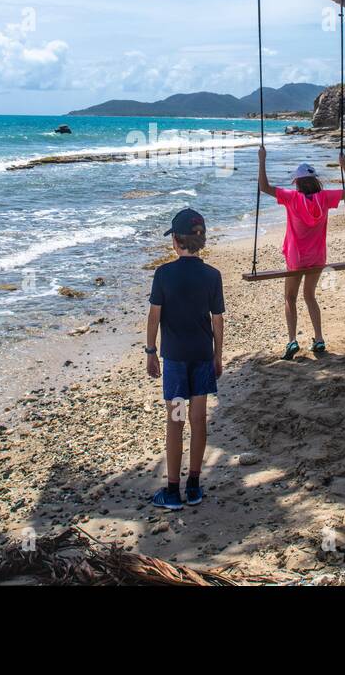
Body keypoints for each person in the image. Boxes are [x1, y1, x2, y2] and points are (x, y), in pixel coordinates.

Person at [145, 208, 224, 510]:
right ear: (200, 240)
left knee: (176, 421)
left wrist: (151, 351)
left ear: (176, 241)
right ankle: (194, 485)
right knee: (199, 419)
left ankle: (172, 490)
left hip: (176, 361)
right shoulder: (212, 275)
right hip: (202, 357)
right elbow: (218, 320)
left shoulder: (164, 274)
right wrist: (218, 355)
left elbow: (155, 316)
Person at [257, 147, 345, 360]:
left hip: (296, 258)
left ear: (297, 183)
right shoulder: (325, 198)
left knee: (290, 297)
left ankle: (292, 340)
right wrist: (344, 166)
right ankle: (319, 338)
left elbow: (264, 187)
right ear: (314, 181)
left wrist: (262, 159)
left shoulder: (291, 198)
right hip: (317, 257)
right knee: (310, 296)